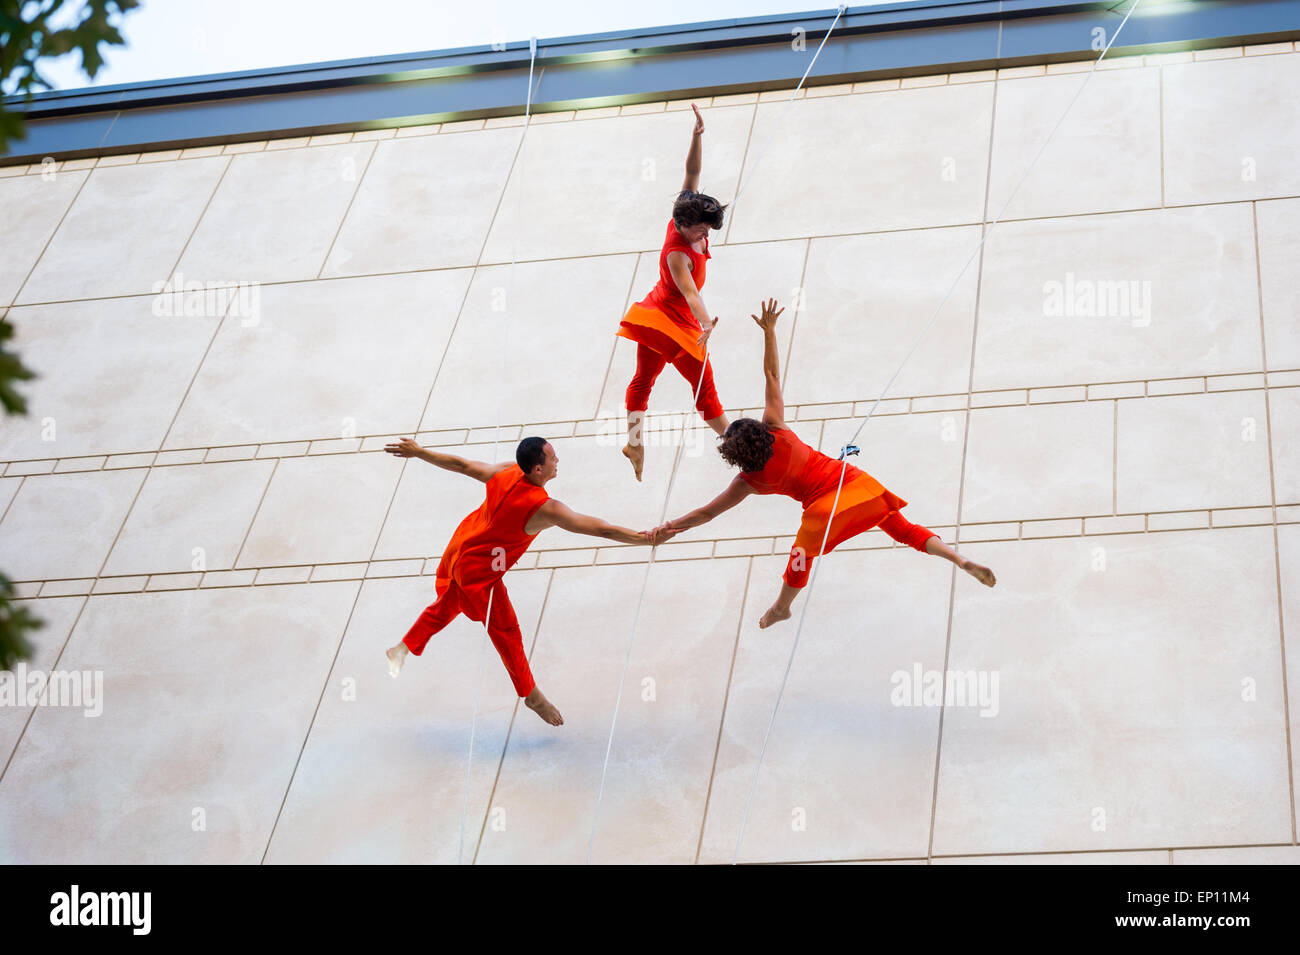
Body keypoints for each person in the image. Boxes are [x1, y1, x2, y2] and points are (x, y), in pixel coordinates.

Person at [651, 299, 996, 628]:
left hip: (823, 509)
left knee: (800, 558)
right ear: (758, 431)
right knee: (901, 528)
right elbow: (771, 375)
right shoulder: (776, 427)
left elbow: (708, 513)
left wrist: (670, 527)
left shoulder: (748, 482)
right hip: (857, 483)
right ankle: (956, 558)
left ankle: (781, 607)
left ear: (735, 457)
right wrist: (769, 330)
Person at [384, 435, 654, 726]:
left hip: (461, 546)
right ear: (537, 469)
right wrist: (643, 539)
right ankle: (532, 696)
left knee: (450, 603)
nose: (557, 460)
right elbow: (602, 530)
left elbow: (462, 465)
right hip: (480, 573)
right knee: (507, 634)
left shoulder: (506, 470)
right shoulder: (544, 508)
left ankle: (403, 647)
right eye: (552, 457)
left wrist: (419, 452)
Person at [618, 102, 730, 481]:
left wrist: (696, 136)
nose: (707, 235)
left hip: (656, 316)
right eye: (702, 229)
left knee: (643, 381)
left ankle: (634, 442)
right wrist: (705, 321)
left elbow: (692, 171)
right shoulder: (676, 254)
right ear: (684, 224)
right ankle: (735, 443)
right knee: (703, 384)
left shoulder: (686, 210)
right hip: (672, 323)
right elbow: (690, 292)